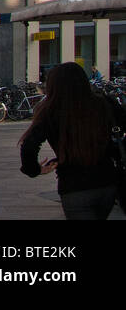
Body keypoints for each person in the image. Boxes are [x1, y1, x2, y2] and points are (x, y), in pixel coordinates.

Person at [20, 61, 126, 220]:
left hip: (74, 185)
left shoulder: (50, 110)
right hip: (107, 182)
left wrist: (34, 169)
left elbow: (29, 145)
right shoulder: (103, 103)